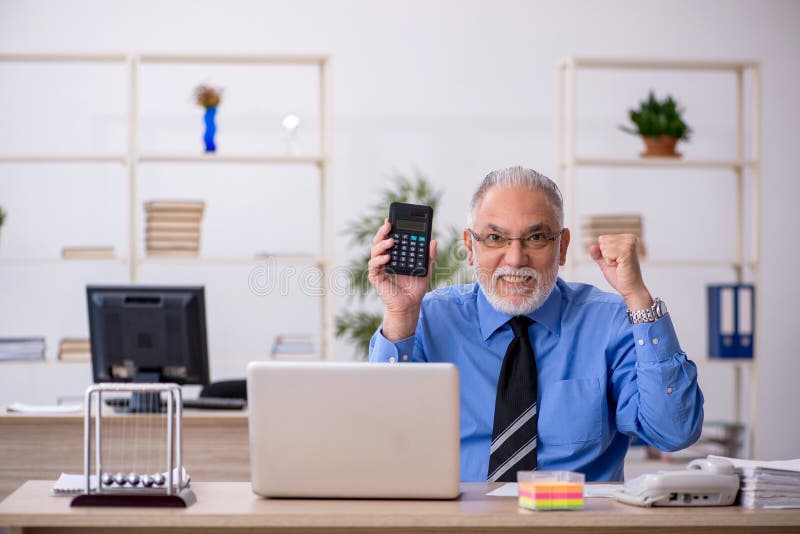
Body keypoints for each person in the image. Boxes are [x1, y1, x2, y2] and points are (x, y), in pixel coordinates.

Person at [368, 165, 703, 482]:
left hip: (576, 527)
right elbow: (382, 438)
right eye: (496, 238)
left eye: (536, 238)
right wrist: (399, 313)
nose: (515, 259)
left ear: (562, 247)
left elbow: (674, 432)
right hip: (461, 526)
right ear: (470, 247)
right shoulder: (429, 319)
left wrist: (638, 296)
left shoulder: (610, 322)